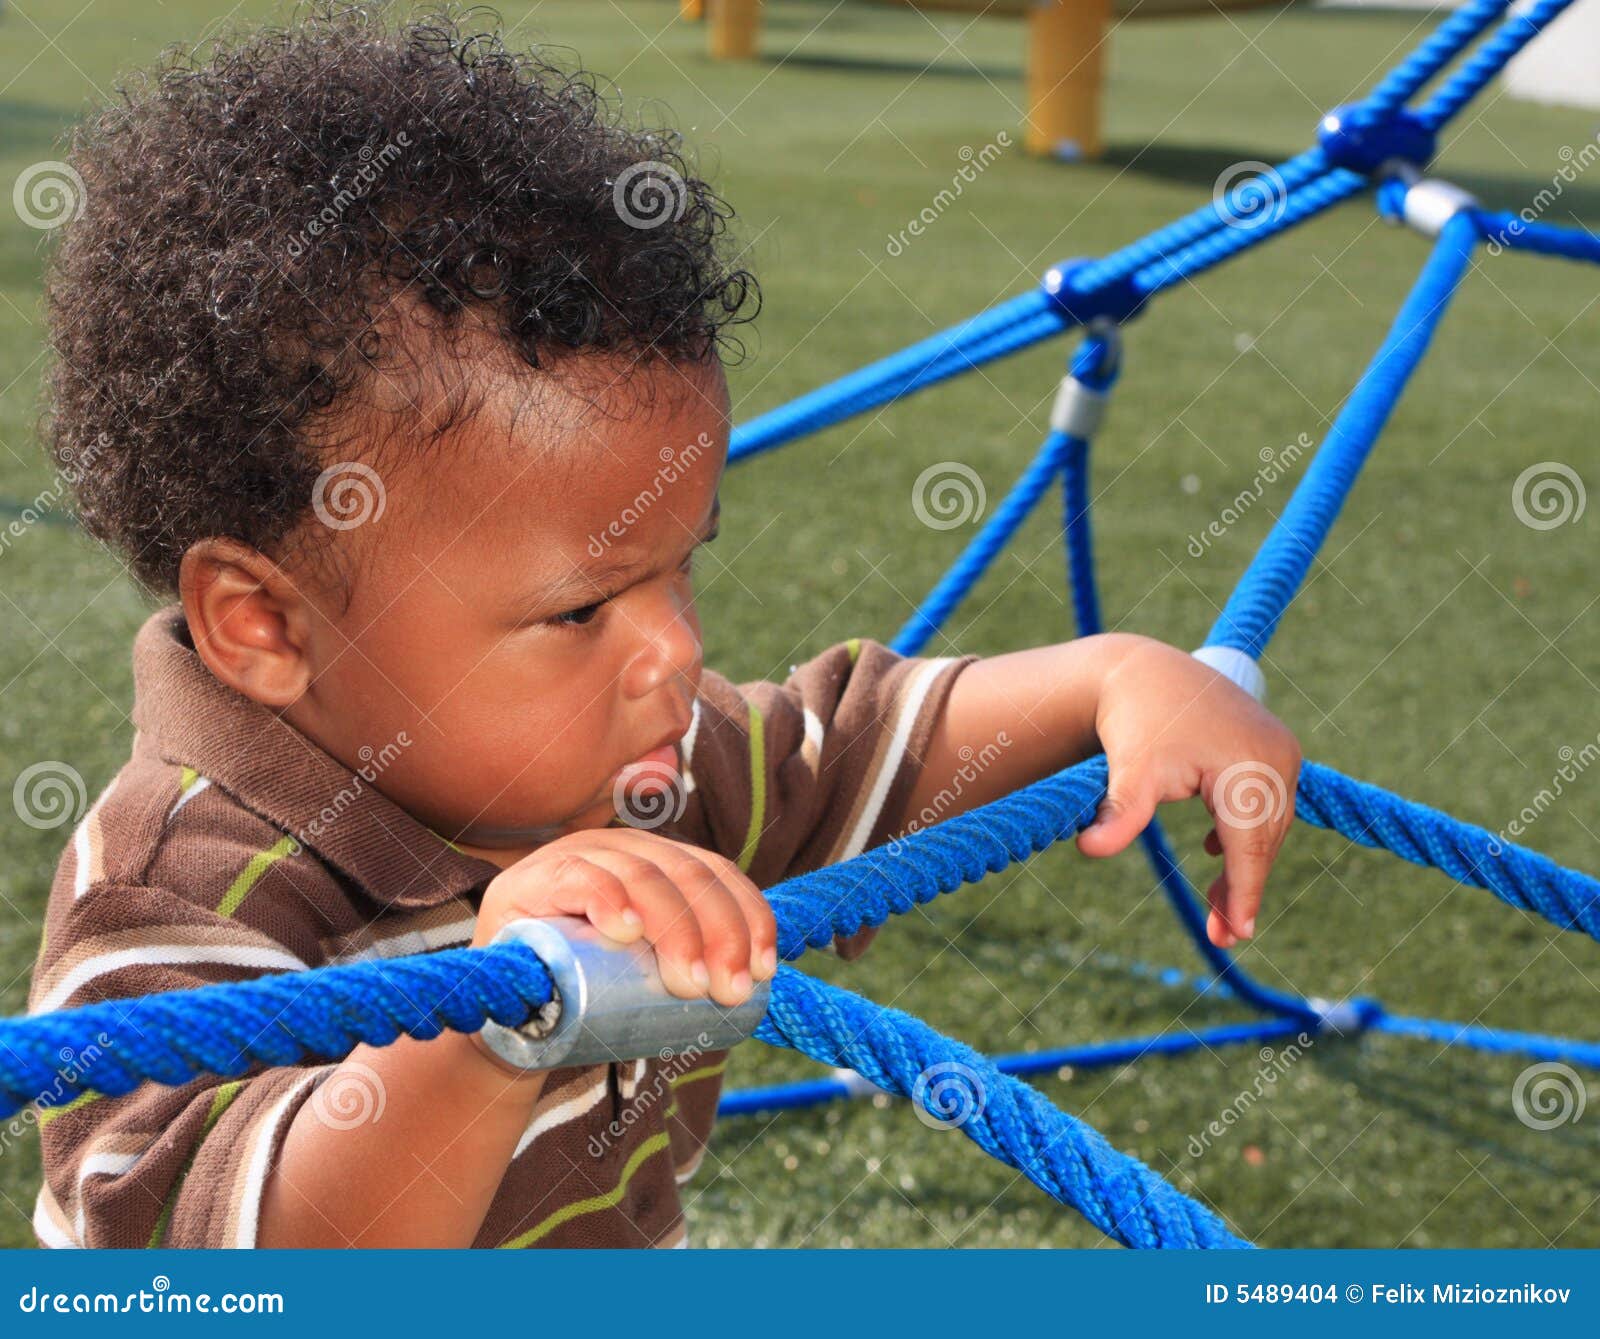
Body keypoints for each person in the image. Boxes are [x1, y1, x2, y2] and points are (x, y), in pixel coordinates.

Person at [28, 2, 1300, 1248]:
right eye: (579, 606)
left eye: (676, 569)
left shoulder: (639, 767)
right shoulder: (178, 896)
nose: (677, 651)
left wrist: (1114, 679)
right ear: (264, 626)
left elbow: (858, 750)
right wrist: (499, 1013)